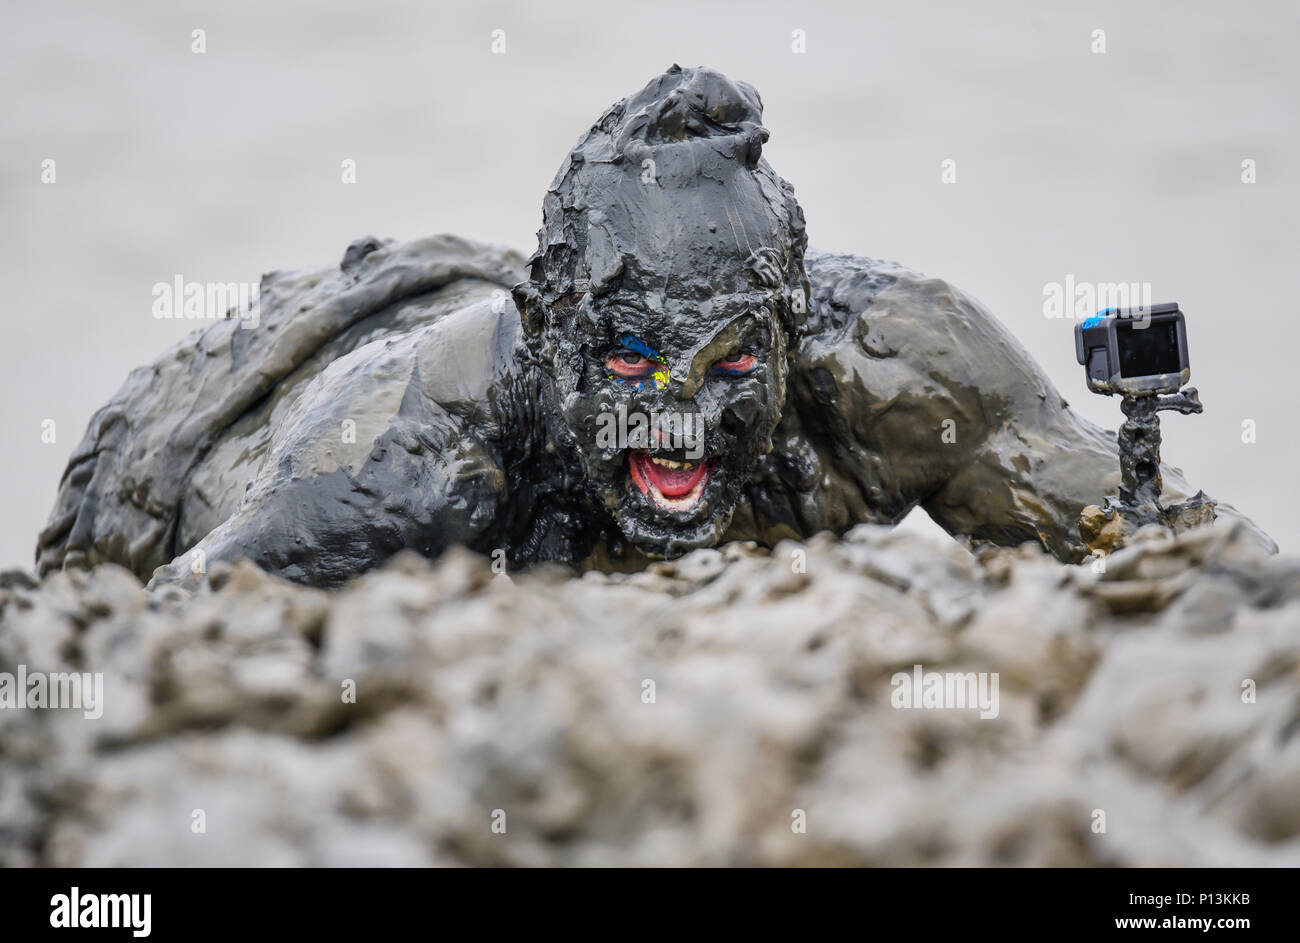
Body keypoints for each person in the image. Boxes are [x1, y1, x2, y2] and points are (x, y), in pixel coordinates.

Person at [37, 65, 1273, 589]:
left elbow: (1161, 544)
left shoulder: (895, 368)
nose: (676, 415)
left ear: (791, 337)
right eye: (631, 365)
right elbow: (182, 604)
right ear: (554, 337)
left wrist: (1159, 526)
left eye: (730, 365)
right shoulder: (427, 442)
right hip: (222, 407)